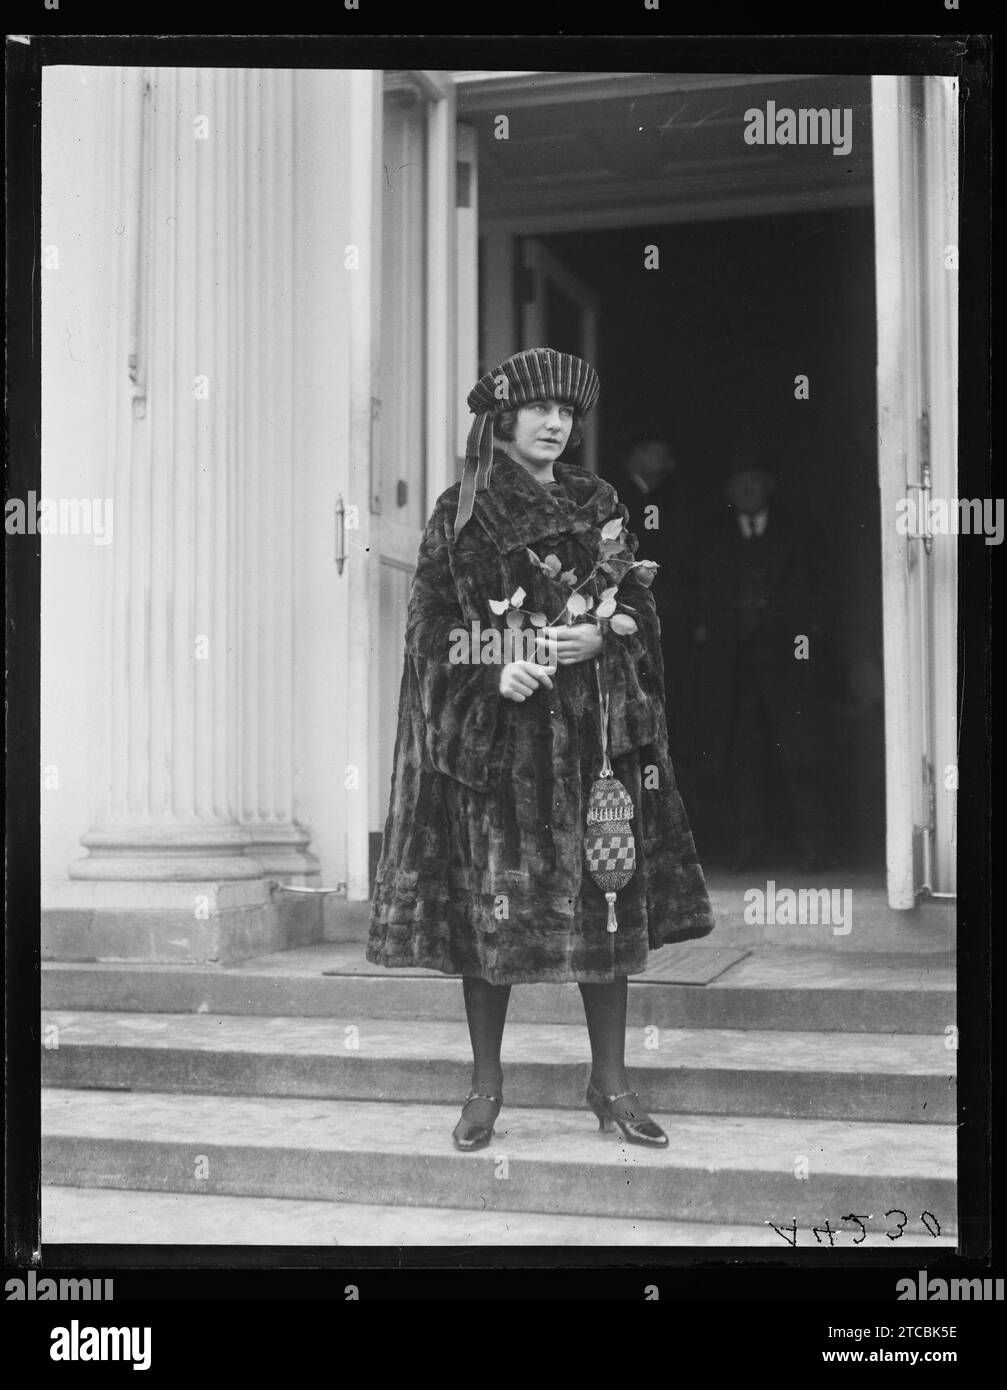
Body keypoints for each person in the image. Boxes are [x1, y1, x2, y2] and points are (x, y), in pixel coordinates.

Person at [366, 347, 714, 1153]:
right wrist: (495, 666)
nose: (555, 424)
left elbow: (641, 612)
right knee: (492, 921)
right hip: (503, 757)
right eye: (538, 411)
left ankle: (612, 1084)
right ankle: (486, 1087)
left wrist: (602, 636)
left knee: (608, 903)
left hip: (593, 745)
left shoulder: (600, 502)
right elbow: (429, 635)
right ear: (503, 420)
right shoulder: (461, 511)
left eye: (566, 413)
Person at [692, 455, 833, 870]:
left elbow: (822, 593)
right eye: (739, 483)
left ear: (770, 485)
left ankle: (814, 847)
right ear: (728, 492)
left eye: (754, 481)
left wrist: (806, 638)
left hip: (790, 666)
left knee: (800, 755)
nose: (747, 491)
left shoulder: (800, 534)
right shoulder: (712, 538)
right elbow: (697, 594)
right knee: (742, 756)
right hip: (733, 669)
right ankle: (747, 847)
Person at [605, 435, 700, 784]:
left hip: (666, 614)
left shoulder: (673, 501)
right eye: (661, 453)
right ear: (637, 452)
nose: (669, 464)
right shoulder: (611, 497)